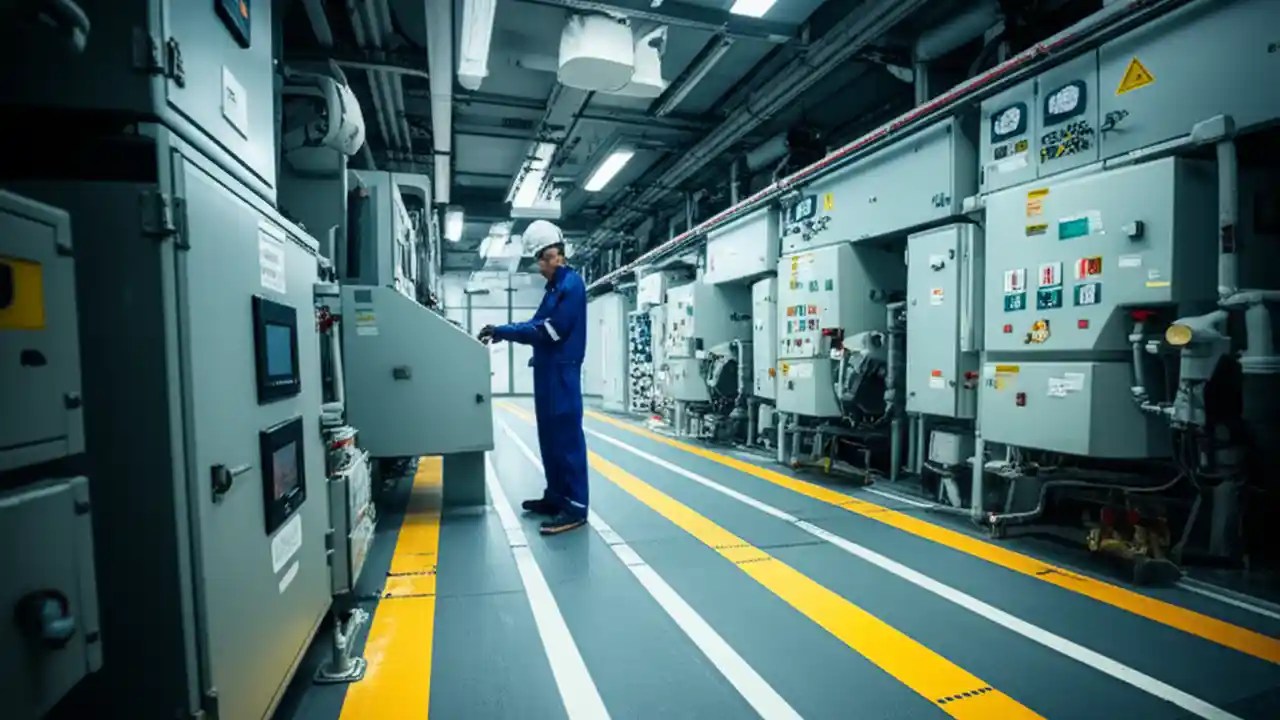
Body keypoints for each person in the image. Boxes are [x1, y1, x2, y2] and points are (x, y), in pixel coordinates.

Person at [478, 220, 589, 535]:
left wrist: (506, 331)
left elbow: (550, 331)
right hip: (546, 373)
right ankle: (556, 497)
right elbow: (536, 322)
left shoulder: (572, 285)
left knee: (567, 441)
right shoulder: (553, 288)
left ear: (559, 253)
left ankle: (576, 507)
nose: (542, 264)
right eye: (540, 258)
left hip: (562, 374)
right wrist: (503, 331)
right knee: (549, 440)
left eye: (547, 256)